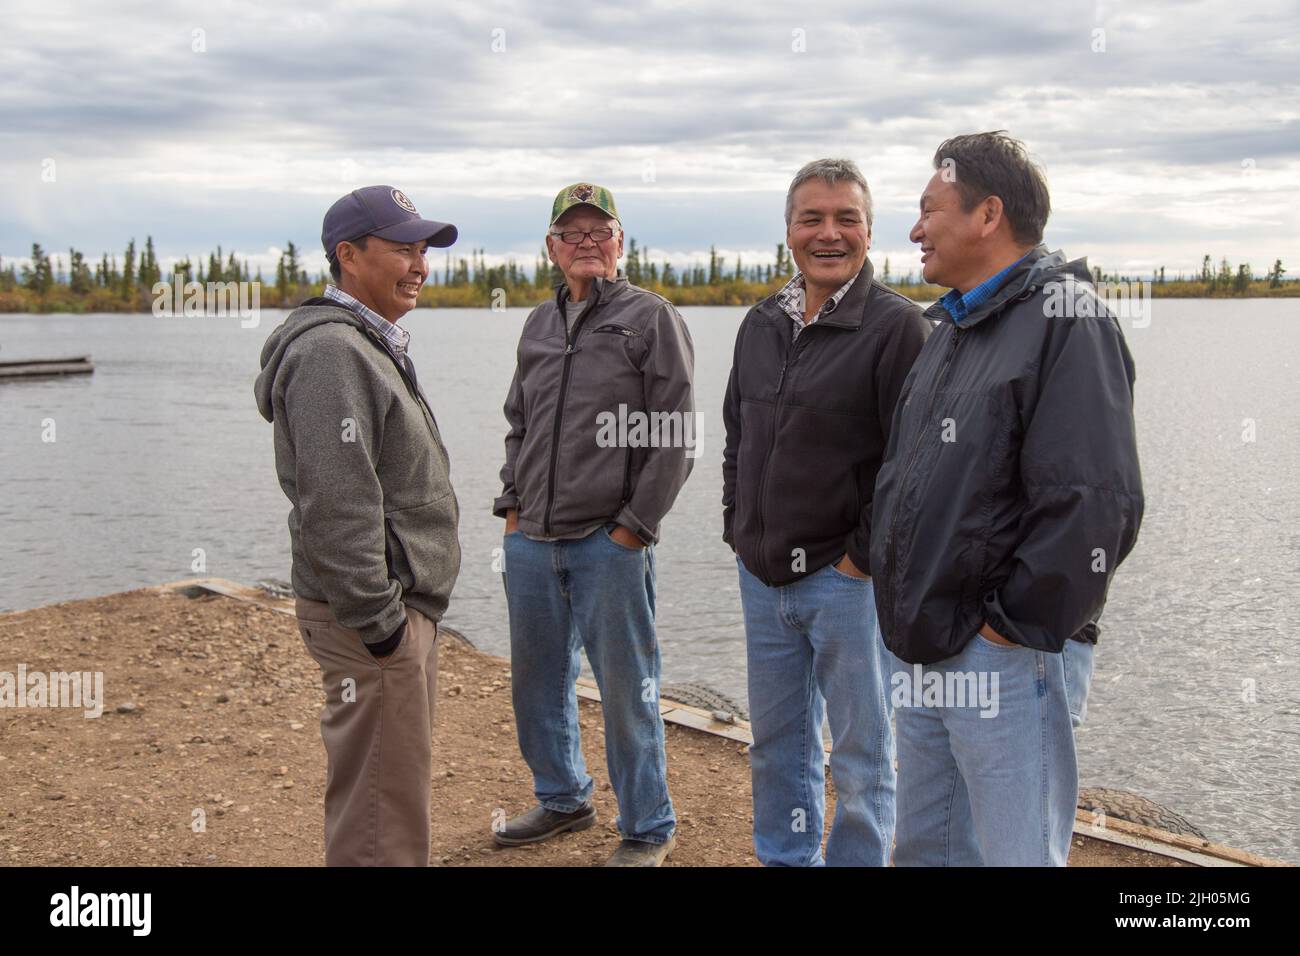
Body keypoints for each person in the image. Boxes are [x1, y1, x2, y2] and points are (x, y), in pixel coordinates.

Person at [870, 131, 1144, 866]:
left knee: (1016, 855)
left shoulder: (1067, 319)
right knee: (927, 849)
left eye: (929, 210)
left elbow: (1095, 502)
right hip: (923, 645)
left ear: (987, 215)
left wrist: (1008, 630)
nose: (915, 229)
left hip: (1001, 656)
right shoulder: (953, 325)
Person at [721, 159, 930, 866]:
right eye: (812, 218)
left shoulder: (900, 329)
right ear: (788, 231)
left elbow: (914, 467)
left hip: (848, 587)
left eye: (846, 218)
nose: (828, 233)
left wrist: (858, 561)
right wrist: (736, 528)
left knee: (864, 755)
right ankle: (786, 856)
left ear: (870, 231)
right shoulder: (760, 324)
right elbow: (737, 437)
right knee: (777, 743)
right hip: (762, 577)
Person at [253, 185, 461, 866]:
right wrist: (382, 625)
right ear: (348, 255)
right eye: (402, 247)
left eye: (423, 249)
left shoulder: (365, 342)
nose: (419, 263)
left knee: (389, 796)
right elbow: (337, 504)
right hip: (373, 618)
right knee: (380, 812)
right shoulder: (333, 355)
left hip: (392, 609)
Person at [491, 182, 695, 867]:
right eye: (570, 234)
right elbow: (519, 423)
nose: (585, 244)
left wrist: (634, 529)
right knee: (537, 682)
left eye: (597, 232)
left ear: (620, 243)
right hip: (532, 542)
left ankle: (647, 826)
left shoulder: (651, 319)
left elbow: (676, 438)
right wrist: (512, 511)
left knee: (628, 690)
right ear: (551, 248)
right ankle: (562, 800)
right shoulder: (538, 325)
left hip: (610, 543)